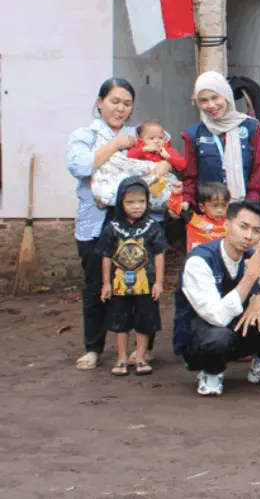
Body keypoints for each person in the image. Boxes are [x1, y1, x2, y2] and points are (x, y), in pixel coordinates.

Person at [66, 78, 172, 371]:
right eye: (114, 101)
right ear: (100, 102)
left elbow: (166, 159)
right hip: (96, 221)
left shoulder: (141, 134)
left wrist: (159, 168)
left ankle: (143, 349)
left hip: (137, 221)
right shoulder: (85, 135)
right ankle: (94, 347)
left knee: (142, 282)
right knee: (96, 285)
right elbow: (80, 167)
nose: (120, 108)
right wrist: (115, 145)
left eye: (127, 103)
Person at [173, 201, 260, 397]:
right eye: (243, 227)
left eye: (257, 231)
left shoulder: (254, 258)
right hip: (201, 338)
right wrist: (250, 277)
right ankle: (211, 372)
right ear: (226, 225)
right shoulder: (199, 260)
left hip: (239, 332)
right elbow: (216, 317)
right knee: (218, 335)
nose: (248, 236)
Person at [97, 177, 166, 377]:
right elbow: (106, 255)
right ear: (121, 202)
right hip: (119, 284)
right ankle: (121, 358)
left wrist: (159, 282)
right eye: (130, 202)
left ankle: (141, 357)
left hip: (146, 283)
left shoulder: (153, 227)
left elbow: (160, 254)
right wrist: (106, 284)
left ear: (147, 202)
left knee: (144, 319)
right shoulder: (112, 228)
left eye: (141, 202)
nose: (136, 207)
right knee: (120, 321)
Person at [181, 71, 260, 206]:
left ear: (226, 95)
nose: (211, 105)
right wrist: (188, 202)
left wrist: (252, 203)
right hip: (208, 213)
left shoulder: (251, 127)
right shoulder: (194, 134)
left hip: (244, 209)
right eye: (203, 100)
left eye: (215, 97)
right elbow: (189, 178)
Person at [127, 120, 187, 204]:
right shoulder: (139, 150)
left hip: (164, 186)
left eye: (161, 138)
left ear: (165, 138)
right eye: (151, 138)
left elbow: (183, 164)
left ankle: (173, 205)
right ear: (141, 139)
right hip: (145, 188)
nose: (157, 141)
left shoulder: (167, 151)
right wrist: (143, 149)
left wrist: (168, 157)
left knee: (174, 188)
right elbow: (128, 157)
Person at [181, 182, 230, 252]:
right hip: (196, 260)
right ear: (202, 207)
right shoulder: (193, 220)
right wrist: (175, 193)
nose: (220, 210)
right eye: (215, 206)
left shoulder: (231, 225)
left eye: (224, 205)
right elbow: (176, 209)